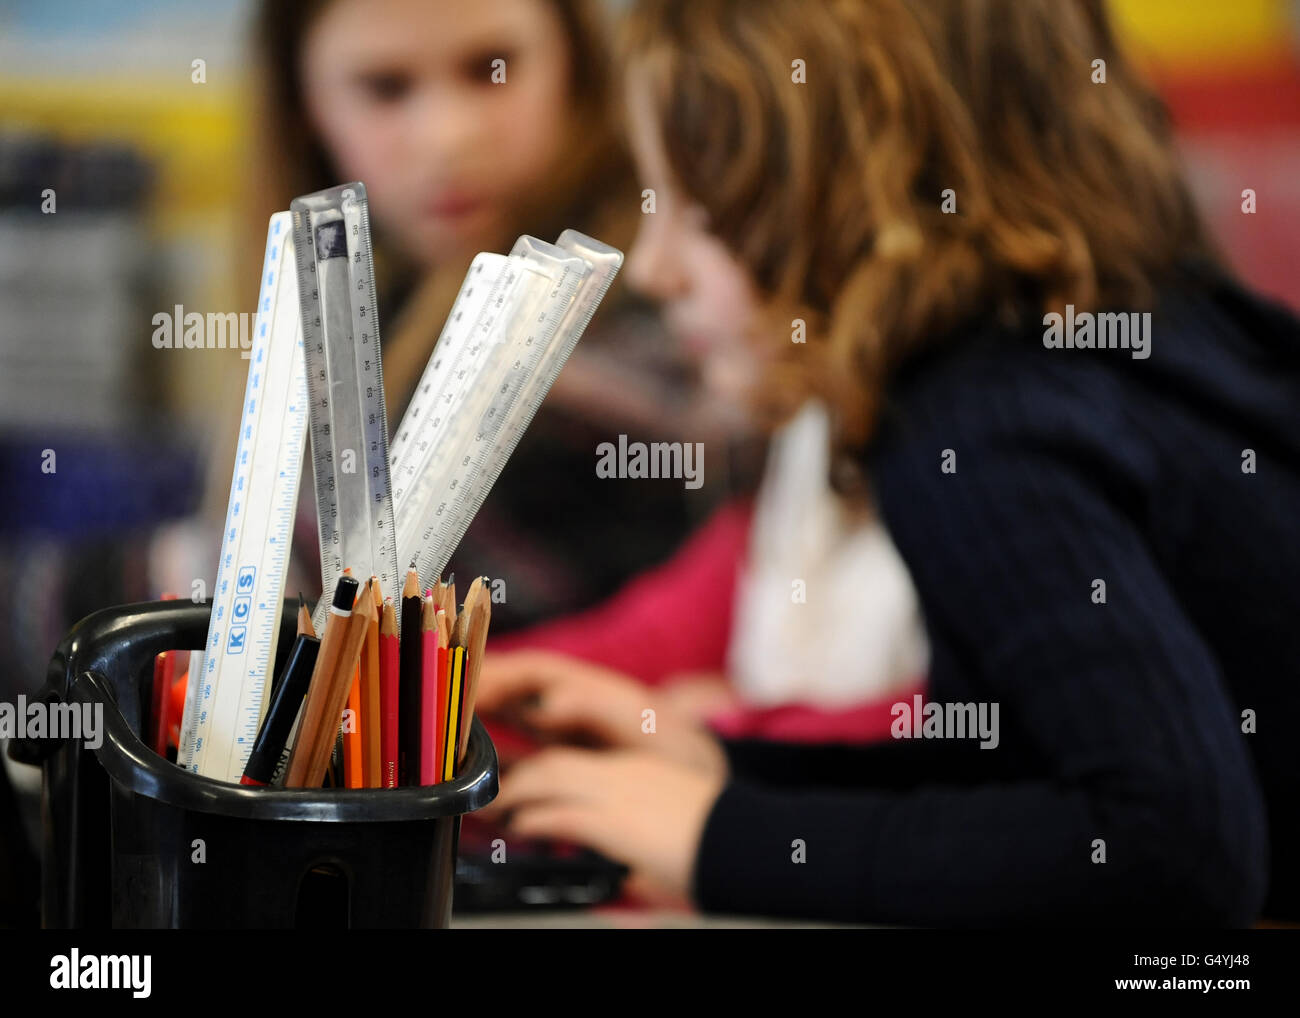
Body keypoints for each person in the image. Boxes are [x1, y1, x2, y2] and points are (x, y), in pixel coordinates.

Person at [477, 0, 1300, 925]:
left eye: (699, 211)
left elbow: (1173, 849)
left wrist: (719, 839)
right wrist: (731, 773)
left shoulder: (982, 427)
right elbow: (1038, 778)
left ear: (870, 192)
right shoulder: (1137, 337)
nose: (653, 268)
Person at [193, 0, 730, 628]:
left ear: (580, 68)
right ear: (302, 108)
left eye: (491, 68)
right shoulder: (381, 286)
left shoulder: (638, 331)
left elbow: (278, 616)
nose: (448, 137)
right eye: (385, 88)